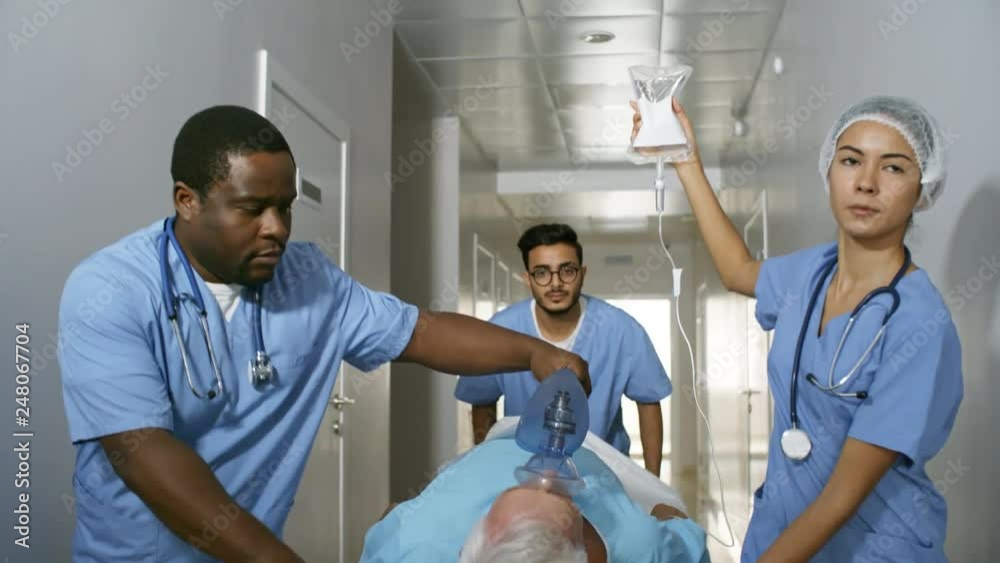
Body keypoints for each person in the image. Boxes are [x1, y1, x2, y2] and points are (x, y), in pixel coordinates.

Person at [56, 105, 591, 563]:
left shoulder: (307, 278)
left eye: (285, 207)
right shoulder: (111, 290)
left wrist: (535, 352)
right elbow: (143, 451)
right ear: (187, 200)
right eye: (252, 209)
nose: (278, 228)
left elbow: (421, 333)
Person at [631, 95, 963, 561]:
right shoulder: (812, 273)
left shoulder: (919, 323)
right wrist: (687, 162)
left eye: (893, 168)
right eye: (851, 161)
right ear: (829, 171)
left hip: (874, 548)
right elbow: (737, 270)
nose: (866, 183)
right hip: (780, 534)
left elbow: (839, 499)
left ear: (922, 187)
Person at [454, 223, 672, 474]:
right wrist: (488, 470)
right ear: (527, 278)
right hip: (522, 473)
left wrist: (652, 484)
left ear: (582, 273)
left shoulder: (620, 329)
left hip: (604, 474)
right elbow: (482, 400)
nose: (555, 283)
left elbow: (648, 402)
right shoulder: (502, 330)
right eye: (542, 273)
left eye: (567, 271)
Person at [359, 416, 708, 562]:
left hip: (503, 438)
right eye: (568, 504)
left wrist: (396, 516)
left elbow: (385, 526)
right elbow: (688, 540)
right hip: (587, 451)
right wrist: (666, 512)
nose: (546, 475)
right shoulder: (637, 543)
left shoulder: (416, 541)